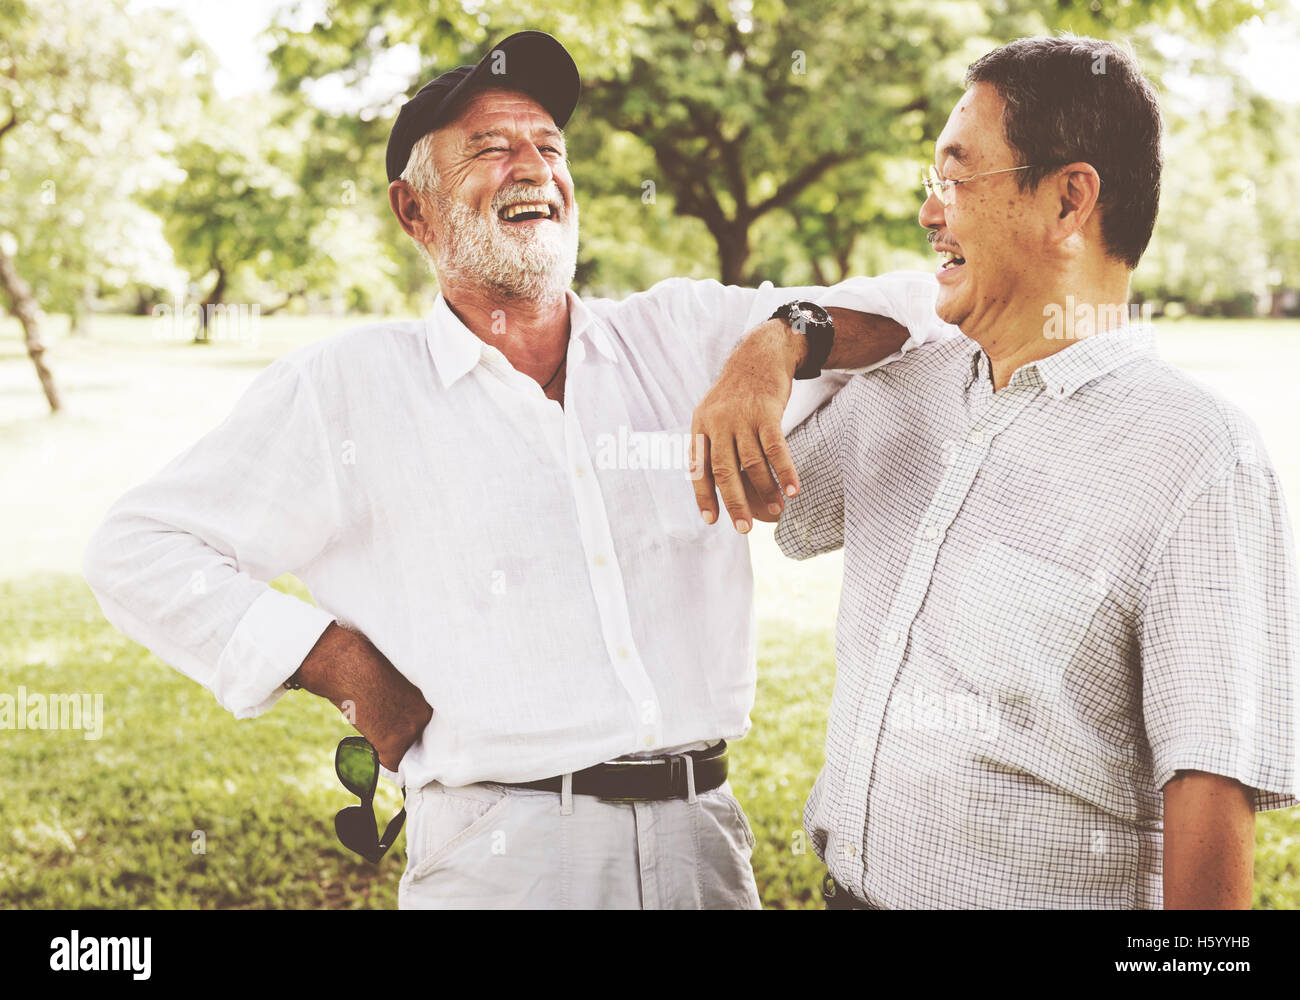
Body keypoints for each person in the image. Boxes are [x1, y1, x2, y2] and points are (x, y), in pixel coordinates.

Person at [81, 30, 955, 909]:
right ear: (412, 211)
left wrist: (783, 339)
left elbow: (932, 311)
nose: (533, 167)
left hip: (704, 844)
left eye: (550, 147)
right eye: (491, 149)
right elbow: (139, 549)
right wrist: (330, 658)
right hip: (501, 856)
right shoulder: (346, 388)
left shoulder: (682, 333)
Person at [691, 35, 1299, 908]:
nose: (930, 212)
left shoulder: (1201, 458)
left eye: (955, 178)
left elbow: (1210, 812)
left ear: (1067, 200)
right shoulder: (903, 392)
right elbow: (757, 491)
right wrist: (780, 336)